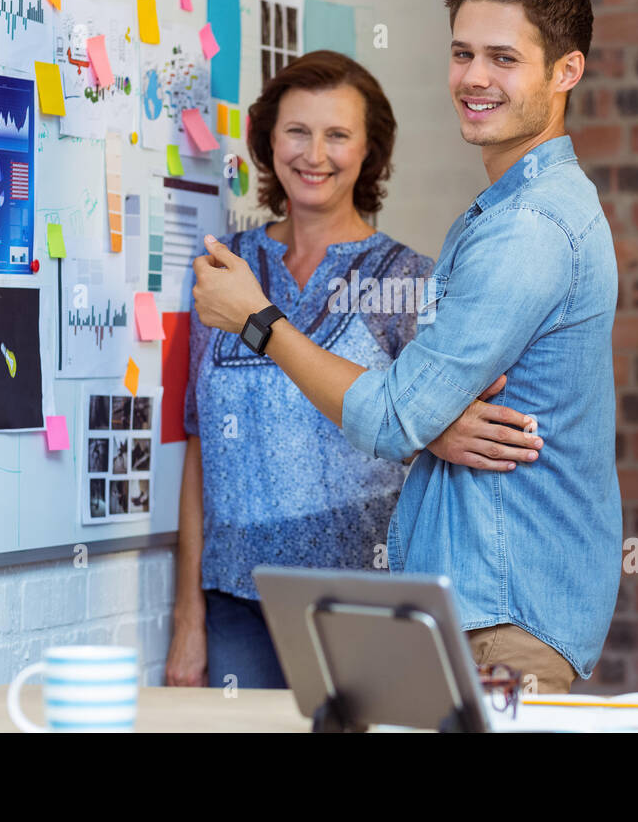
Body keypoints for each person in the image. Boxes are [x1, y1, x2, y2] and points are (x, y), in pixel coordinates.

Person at [192, 0, 621, 695]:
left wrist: (259, 322)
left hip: (503, 617)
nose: (474, 78)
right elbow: (414, 408)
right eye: (462, 53)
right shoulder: (506, 213)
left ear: (566, 72)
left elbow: (393, 417)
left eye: (503, 58)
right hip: (468, 608)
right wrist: (430, 421)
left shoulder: (528, 228)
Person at [166, 49, 544, 690]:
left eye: (337, 135)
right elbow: (199, 449)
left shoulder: (410, 281)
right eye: (297, 131)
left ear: (370, 151)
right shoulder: (224, 270)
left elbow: (433, 432)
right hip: (234, 604)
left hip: (365, 605)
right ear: (269, 140)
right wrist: (187, 618)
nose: (314, 154)